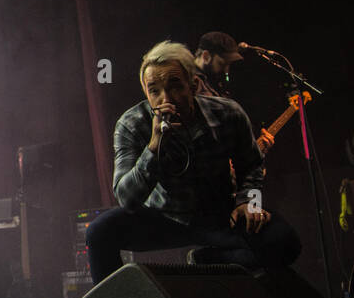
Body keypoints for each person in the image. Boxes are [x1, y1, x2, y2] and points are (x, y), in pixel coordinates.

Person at [84, 41, 300, 283]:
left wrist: (247, 201)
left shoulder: (228, 113)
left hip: (219, 215)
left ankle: (208, 261)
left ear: (194, 85)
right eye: (154, 90)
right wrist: (153, 149)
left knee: (285, 243)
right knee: (99, 233)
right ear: (146, 92)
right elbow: (126, 198)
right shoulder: (132, 124)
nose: (165, 98)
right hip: (163, 217)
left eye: (175, 86)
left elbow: (250, 163)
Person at [194, 30, 274, 154]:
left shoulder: (216, 85)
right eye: (222, 63)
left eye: (228, 64)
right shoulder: (189, 84)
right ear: (205, 56)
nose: (226, 70)